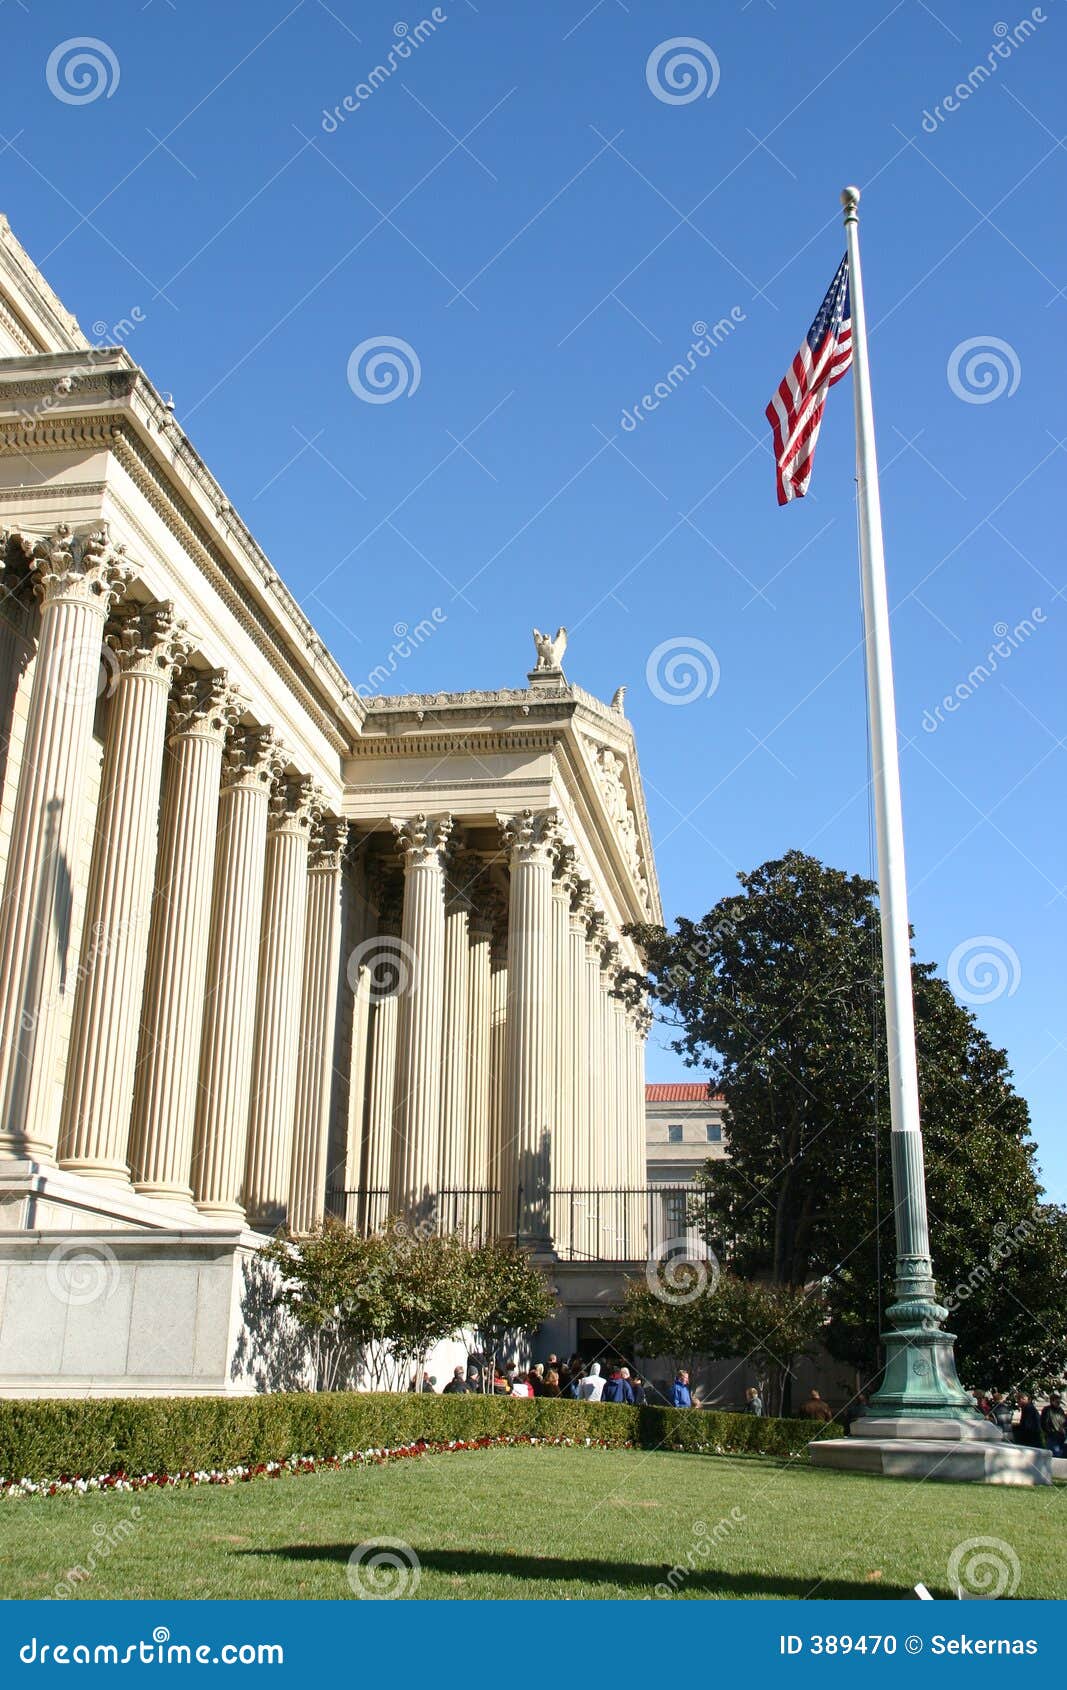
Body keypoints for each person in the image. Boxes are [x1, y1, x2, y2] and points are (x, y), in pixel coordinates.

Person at [1040, 1392, 1067, 1457]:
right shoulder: (1047, 1410)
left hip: (1061, 1436)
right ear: (1052, 1401)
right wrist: (1050, 1432)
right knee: (1054, 1454)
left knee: (1060, 1454)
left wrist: (1063, 1429)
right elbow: (1044, 1423)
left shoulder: (1060, 1410)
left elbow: (1064, 1421)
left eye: (1059, 1402)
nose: (1058, 1404)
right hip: (1052, 1436)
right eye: (1057, 1402)